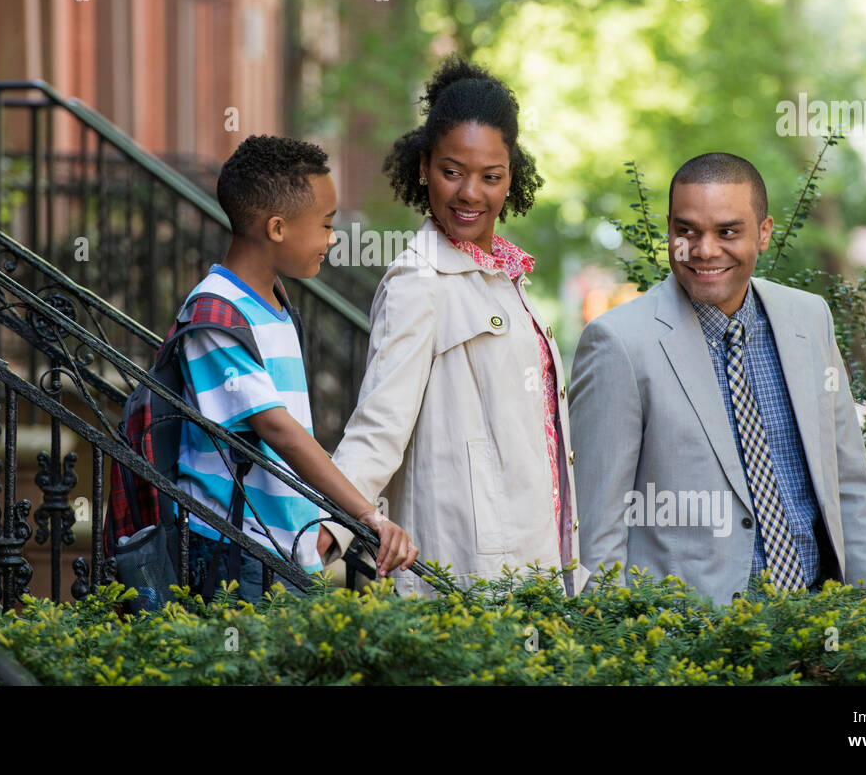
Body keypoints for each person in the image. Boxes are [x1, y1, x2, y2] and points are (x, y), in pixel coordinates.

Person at [569, 152, 866, 606]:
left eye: (728, 231)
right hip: (693, 647)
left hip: (819, 627)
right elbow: (599, 532)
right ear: (669, 229)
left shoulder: (809, 320)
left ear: (764, 233)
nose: (705, 250)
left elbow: (850, 490)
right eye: (687, 230)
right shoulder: (618, 344)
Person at [317, 58, 587, 598]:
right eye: (452, 171)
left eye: (491, 176)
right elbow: (379, 425)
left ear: (513, 175)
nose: (470, 193)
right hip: (469, 564)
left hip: (538, 555)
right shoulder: (420, 281)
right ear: (423, 167)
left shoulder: (504, 275)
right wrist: (324, 530)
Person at [169, 135, 418, 602]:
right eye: (326, 225)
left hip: (288, 542)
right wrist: (368, 515)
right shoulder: (216, 313)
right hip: (236, 551)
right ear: (278, 228)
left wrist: (344, 529)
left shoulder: (275, 303)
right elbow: (280, 432)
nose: (332, 238)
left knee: (368, 627)